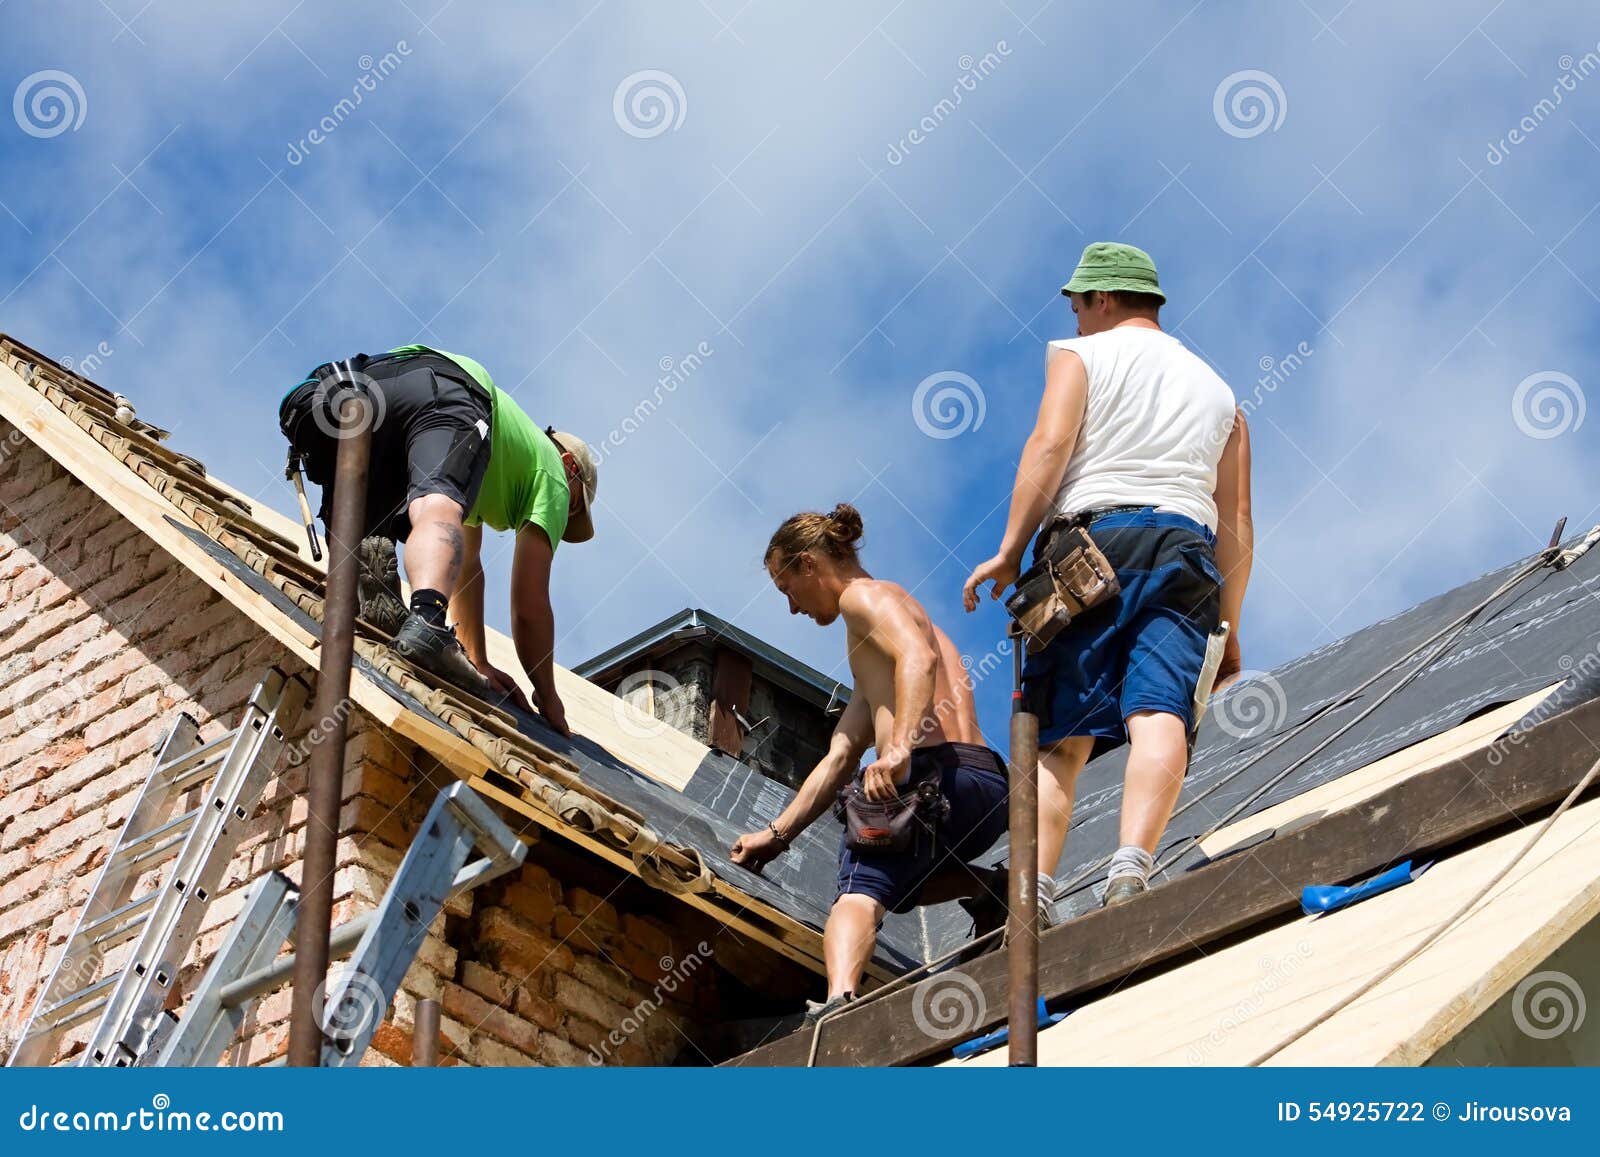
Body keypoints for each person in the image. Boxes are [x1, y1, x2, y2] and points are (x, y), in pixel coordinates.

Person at [962, 242, 1252, 911]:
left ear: (1102, 298)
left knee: (1061, 736)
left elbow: (1050, 444)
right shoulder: (1221, 394)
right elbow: (1236, 519)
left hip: (1091, 548)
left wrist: (1009, 549)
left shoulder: (1080, 355)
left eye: (1077, 305)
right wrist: (1227, 623)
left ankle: (1031, 896)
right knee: (1159, 710)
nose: (1074, 320)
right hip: (1187, 553)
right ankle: (1131, 867)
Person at [731, 504, 1009, 1022]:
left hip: (929, 778)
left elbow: (917, 661)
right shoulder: (878, 640)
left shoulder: (864, 597)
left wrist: (900, 747)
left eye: (786, 587)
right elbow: (840, 755)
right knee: (902, 885)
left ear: (810, 564)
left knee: (858, 890)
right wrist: (777, 833)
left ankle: (839, 1008)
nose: (792, 608)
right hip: (985, 790)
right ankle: (992, 888)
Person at [278, 345, 597, 735]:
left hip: (339, 393)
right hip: (447, 389)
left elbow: (465, 566)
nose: (564, 522)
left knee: (376, 513)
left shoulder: (493, 463)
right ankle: (426, 616)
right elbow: (529, 604)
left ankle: (362, 570)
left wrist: (477, 660)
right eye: (575, 508)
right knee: (435, 503)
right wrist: (546, 694)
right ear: (569, 467)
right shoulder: (552, 476)